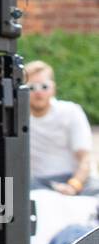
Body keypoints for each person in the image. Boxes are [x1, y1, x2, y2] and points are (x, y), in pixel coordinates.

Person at [26, 60, 99, 196]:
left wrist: (74, 185)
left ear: (53, 88)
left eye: (44, 86)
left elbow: (85, 158)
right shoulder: (19, 119)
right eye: (31, 87)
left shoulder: (70, 111)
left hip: (77, 180)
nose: (38, 92)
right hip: (38, 183)